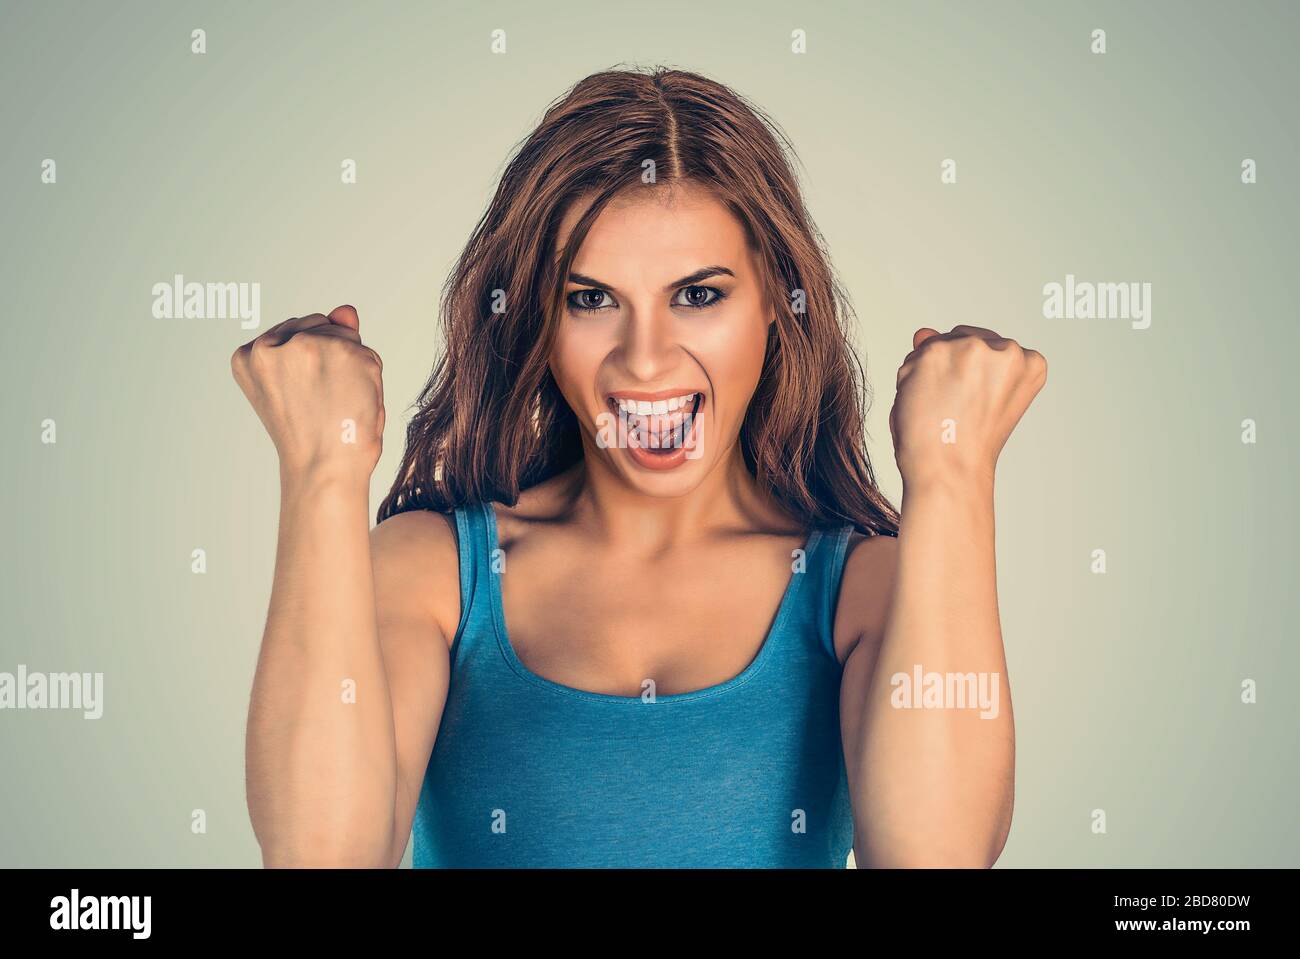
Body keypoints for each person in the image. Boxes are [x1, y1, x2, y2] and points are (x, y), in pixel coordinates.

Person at [232, 67, 1046, 868]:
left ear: (777, 298)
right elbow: (320, 855)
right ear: (538, 318)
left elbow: (937, 856)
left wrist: (953, 472)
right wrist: (321, 471)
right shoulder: (432, 573)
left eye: (698, 295)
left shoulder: (866, 591)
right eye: (590, 299)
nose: (646, 358)